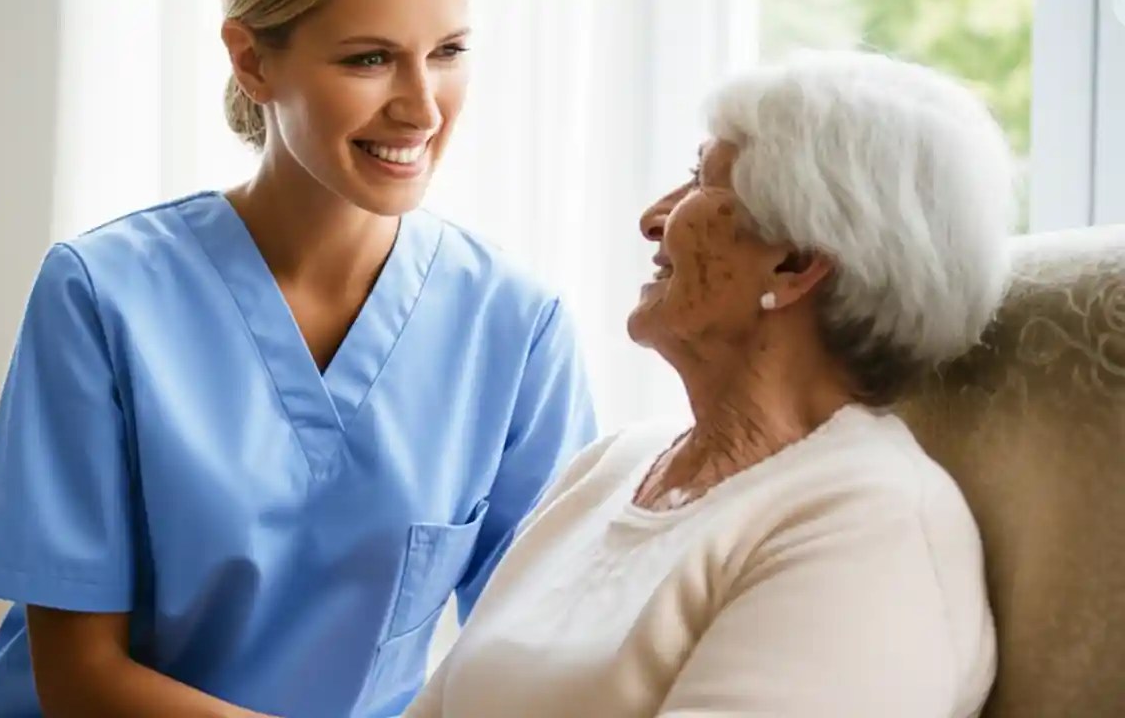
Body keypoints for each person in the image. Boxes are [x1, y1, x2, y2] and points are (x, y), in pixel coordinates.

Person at [0, 0, 597, 715]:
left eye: (447, 52)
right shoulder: (102, 292)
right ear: (252, 61)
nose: (423, 110)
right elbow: (79, 678)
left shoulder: (515, 325)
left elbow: (542, 650)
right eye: (370, 59)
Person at [405, 50, 1013, 718]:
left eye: (700, 180)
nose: (653, 217)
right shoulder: (614, 466)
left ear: (794, 262)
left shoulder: (872, 531)